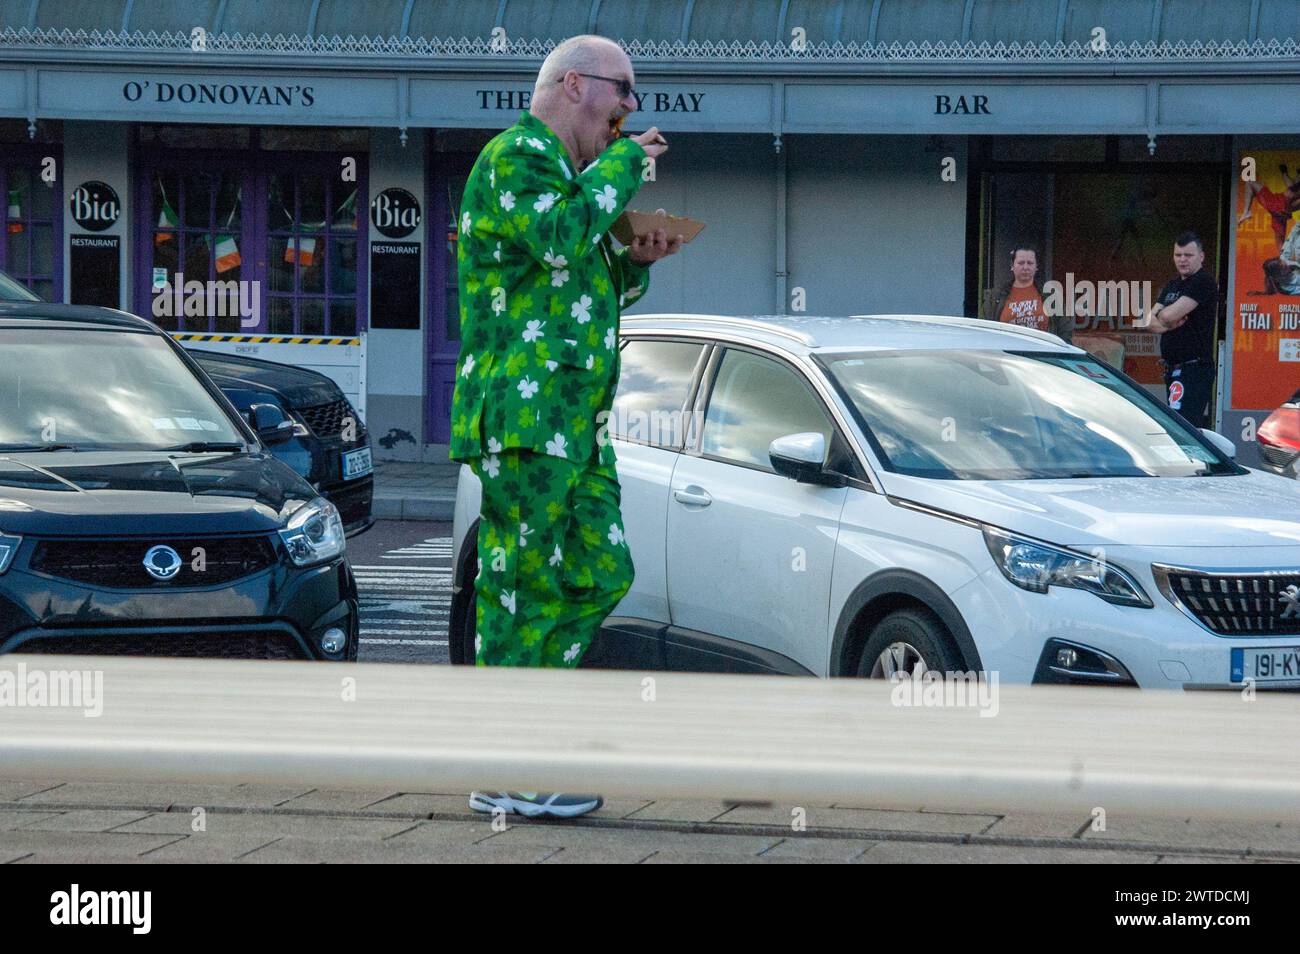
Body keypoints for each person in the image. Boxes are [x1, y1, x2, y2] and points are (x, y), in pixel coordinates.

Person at [450, 35, 683, 820]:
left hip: (574, 424)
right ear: (574, 83)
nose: (629, 110)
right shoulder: (514, 157)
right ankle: (511, 767)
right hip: (522, 418)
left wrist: (639, 258)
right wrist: (623, 170)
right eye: (623, 92)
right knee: (518, 589)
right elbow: (556, 238)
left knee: (599, 569)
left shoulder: (567, 177)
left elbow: (581, 277)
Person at [1135, 232, 1219, 429]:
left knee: (1185, 428)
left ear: (1201, 257)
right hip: (1173, 369)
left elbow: (1165, 317)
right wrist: (1167, 319)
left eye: (1188, 255)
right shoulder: (1172, 285)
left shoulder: (1203, 282)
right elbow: (1147, 320)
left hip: (1193, 369)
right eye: (1178, 255)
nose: (1182, 260)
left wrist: (1164, 318)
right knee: (1175, 426)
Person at [983, 245, 1073, 343]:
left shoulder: (1050, 296)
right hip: (1007, 355)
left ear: (1036, 266)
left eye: (1030, 263)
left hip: (1041, 355)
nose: (1025, 267)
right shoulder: (995, 297)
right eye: (1021, 263)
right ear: (1012, 265)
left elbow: (1064, 332)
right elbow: (984, 330)